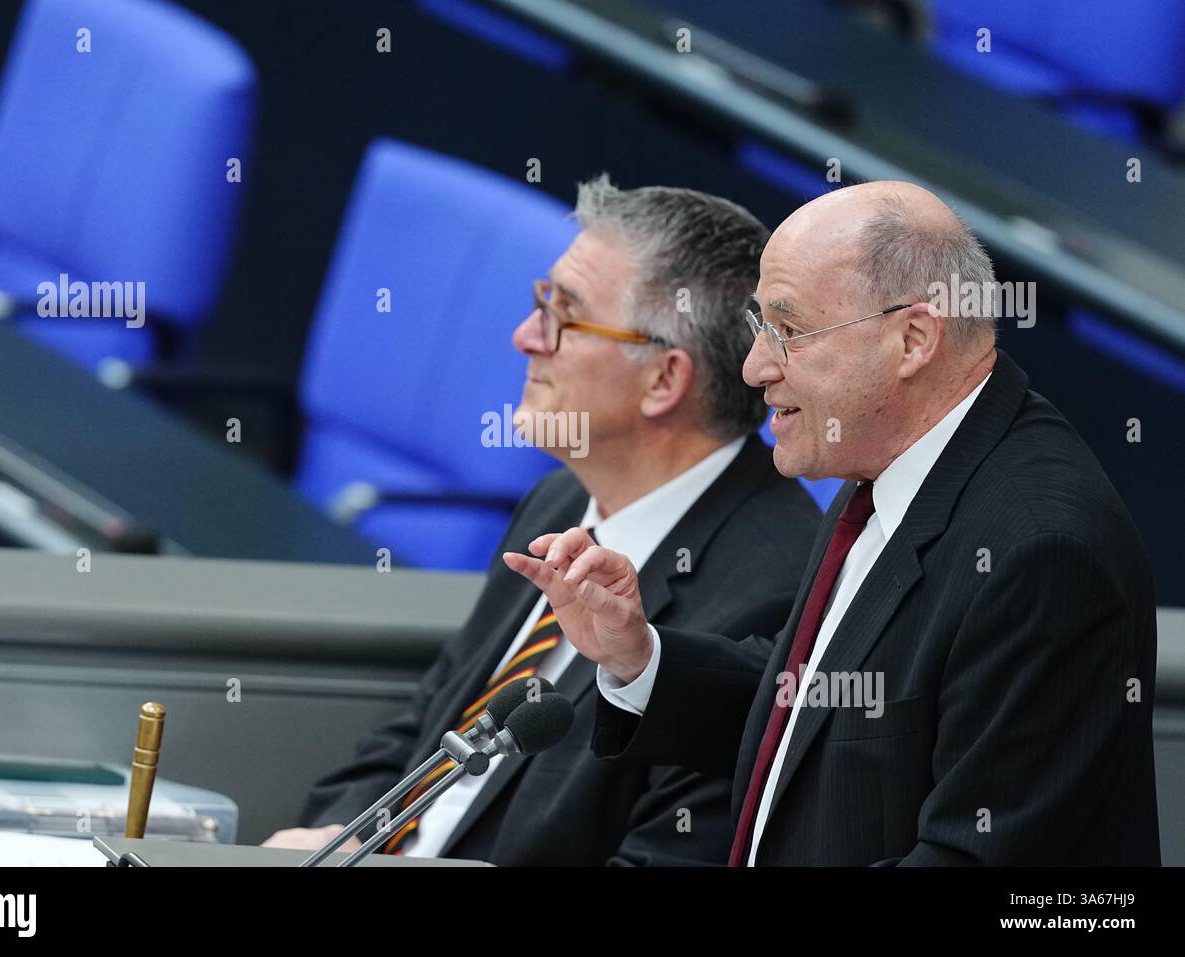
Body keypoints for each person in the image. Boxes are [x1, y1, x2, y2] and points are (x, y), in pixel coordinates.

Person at [505, 180, 1160, 865]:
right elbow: (811, 713)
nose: (756, 367)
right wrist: (639, 656)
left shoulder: (1043, 554)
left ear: (911, 339)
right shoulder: (886, 460)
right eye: (762, 327)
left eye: (788, 332)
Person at [263, 176, 822, 864]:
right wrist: (332, 841)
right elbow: (419, 728)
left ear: (663, 381)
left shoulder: (778, 591)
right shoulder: (560, 500)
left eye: (564, 314)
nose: (525, 336)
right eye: (540, 303)